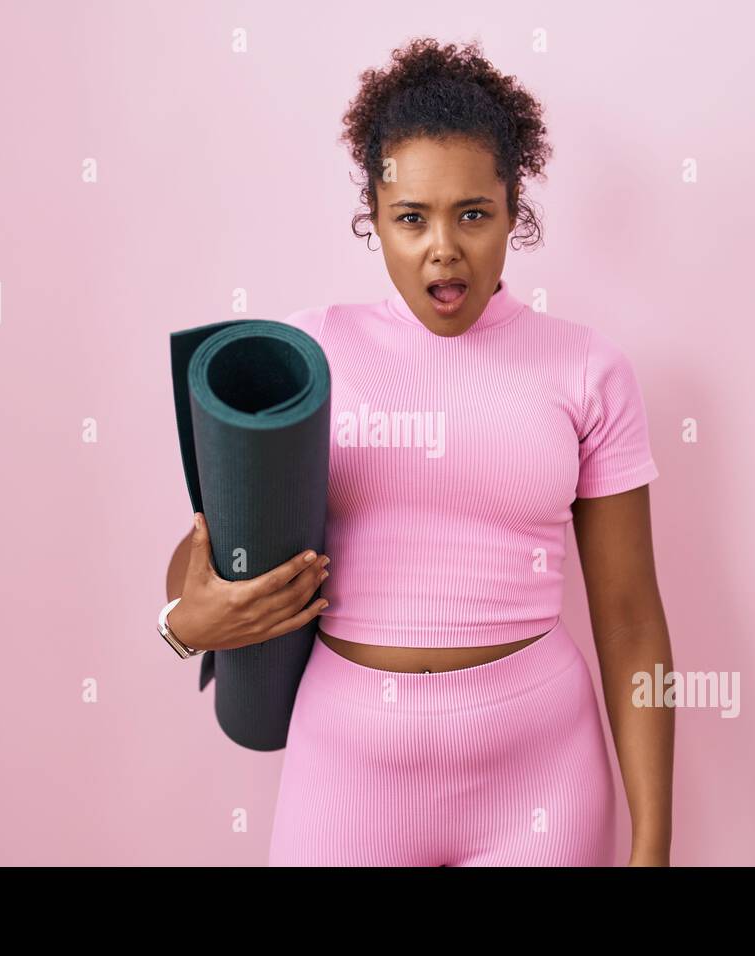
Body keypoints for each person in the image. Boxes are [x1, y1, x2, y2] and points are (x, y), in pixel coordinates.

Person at [165, 37, 674, 867]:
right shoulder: (306, 357)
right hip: (347, 770)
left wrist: (653, 845)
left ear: (516, 210)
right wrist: (185, 624)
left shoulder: (588, 370)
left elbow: (630, 619)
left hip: (541, 775)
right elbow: (202, 569)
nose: (444, 247)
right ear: (374, 216)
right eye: (412, 218)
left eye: (473, 213)